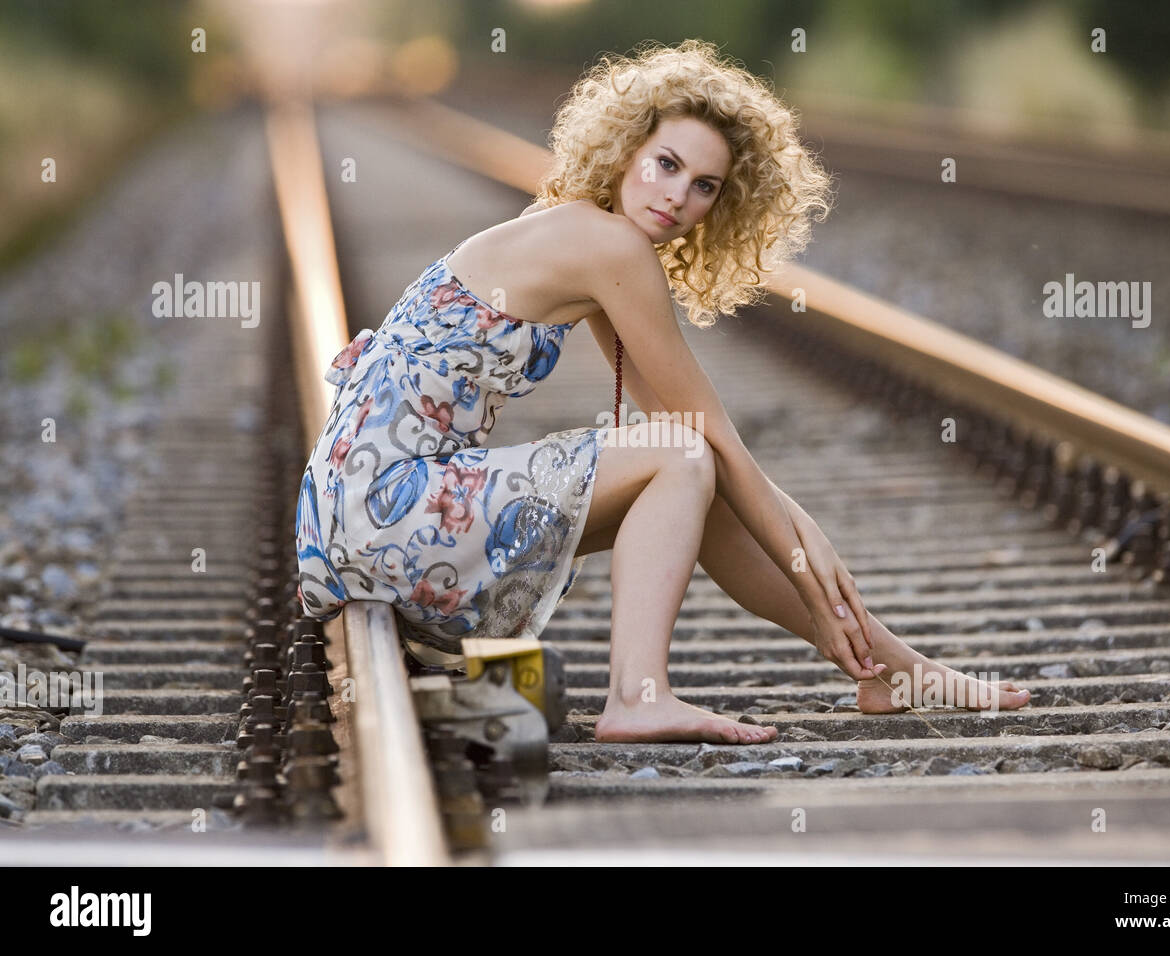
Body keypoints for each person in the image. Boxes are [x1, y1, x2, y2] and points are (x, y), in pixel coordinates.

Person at [296, 39, 1031, 745]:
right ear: (625, 151)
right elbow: (699, 435)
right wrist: (810, 568)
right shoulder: (609, 247)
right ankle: (637, 697)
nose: (677, 196)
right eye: (666, 165)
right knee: (681, 459)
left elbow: (698, 442)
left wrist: (806, 545)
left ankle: (890, 670)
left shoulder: (574, 234)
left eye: (704, 185)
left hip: (352, 524)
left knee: (689, 473)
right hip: (389, 512)